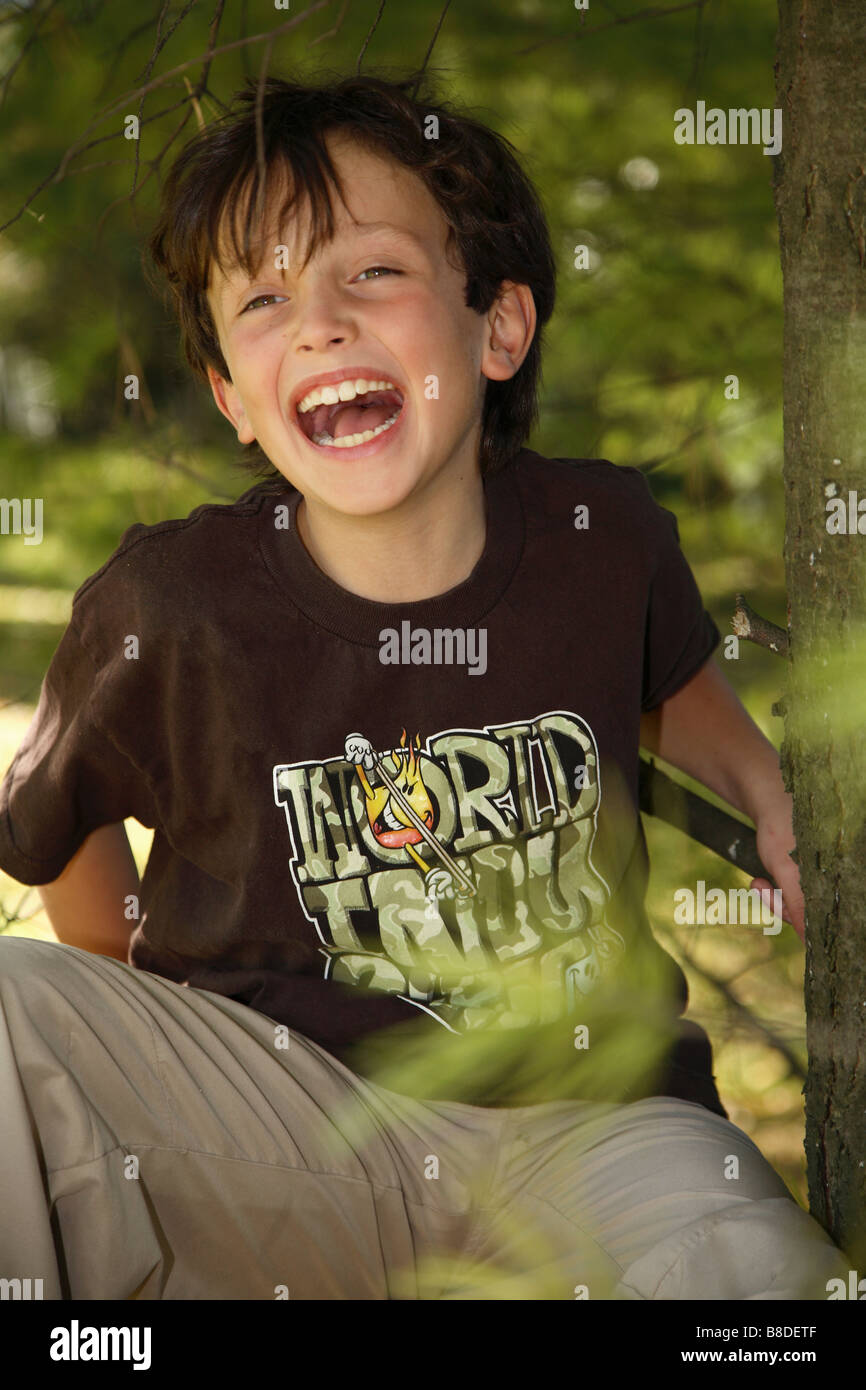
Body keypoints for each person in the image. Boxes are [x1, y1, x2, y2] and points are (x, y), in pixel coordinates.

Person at [0, 71, 850, 1300]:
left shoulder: (598, 537)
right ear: (236, 399)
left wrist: (775, 804)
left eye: (372, 273)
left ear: (498, 327)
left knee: (754, 1273)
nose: (322, 323)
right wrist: (153, 1051)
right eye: (265, 296)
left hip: (593, 1126)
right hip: (285, 1125)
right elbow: (59, 823)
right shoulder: (169, 604)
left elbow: (677, 694)